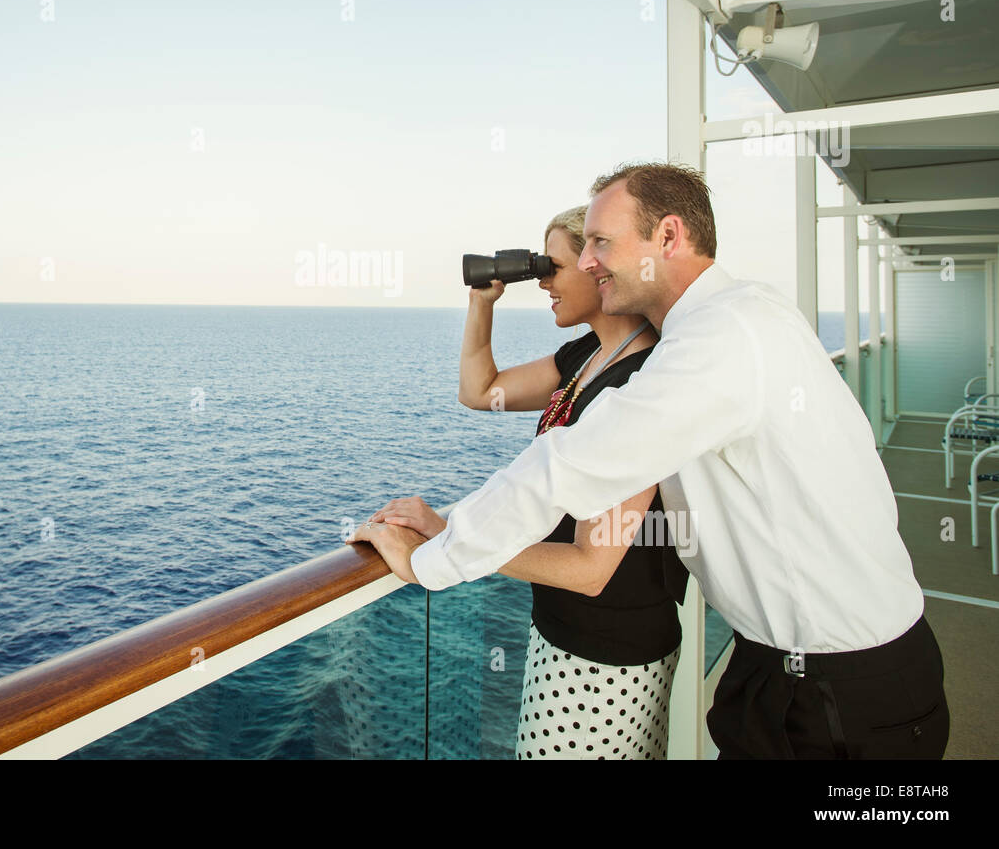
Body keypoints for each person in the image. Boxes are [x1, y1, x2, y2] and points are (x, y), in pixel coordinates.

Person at [350, 161, 948, 760]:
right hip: (783, 663)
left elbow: (572, 464)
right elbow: (507, 407)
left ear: (668, 236)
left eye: (601, 243)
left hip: (840, 689)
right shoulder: (726, 322)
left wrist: (433, 558)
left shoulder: (721, 337)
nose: (586, 263)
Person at [372, 205, 686, 759]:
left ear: (597, 268)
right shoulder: (588, 355)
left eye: (552, 265)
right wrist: (481, 302)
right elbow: (480, 390)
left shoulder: (640, 380)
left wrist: (450, 539)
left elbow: (592, 568)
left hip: (607, 652)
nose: (542, 280)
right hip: (568, 631)